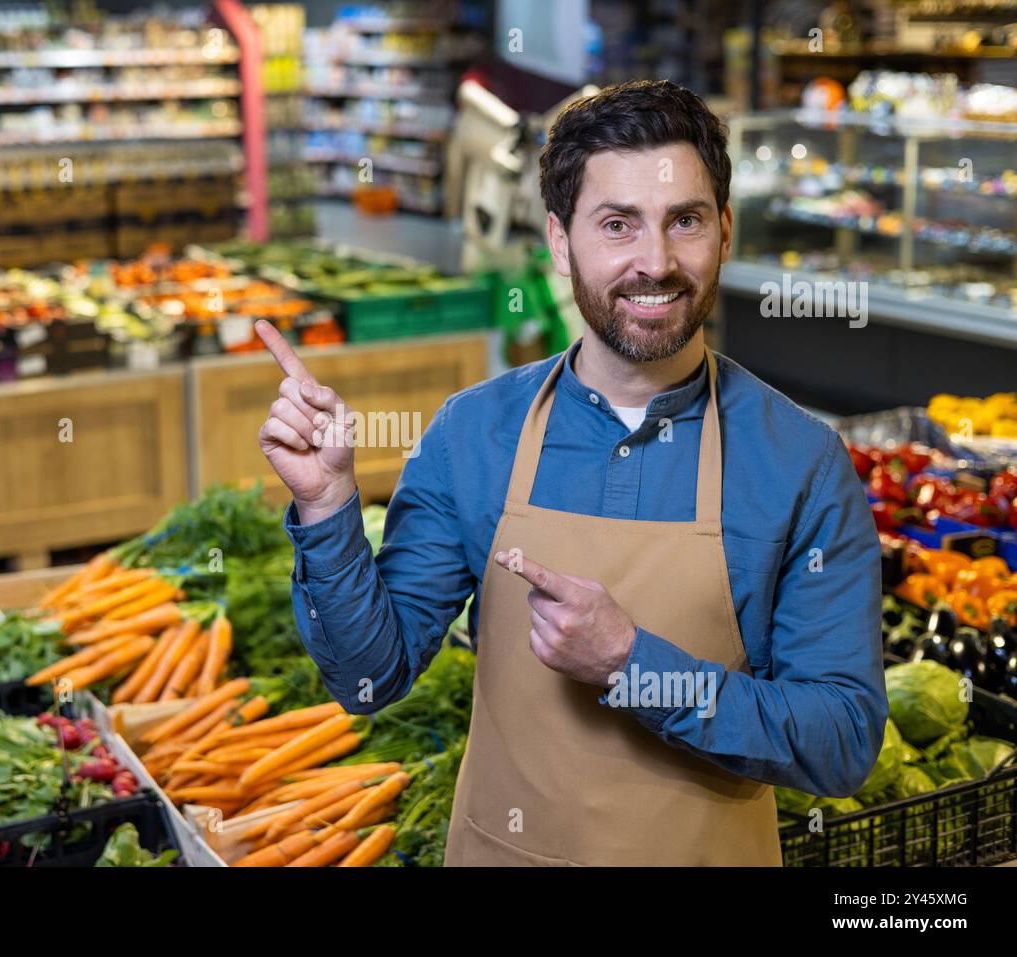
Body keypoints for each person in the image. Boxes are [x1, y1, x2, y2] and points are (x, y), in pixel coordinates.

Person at [253, 79, 887, 866]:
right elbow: (369, 679)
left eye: (683, 221)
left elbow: (842, 740)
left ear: (724, 230)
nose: (654, 263)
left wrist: (634, 667)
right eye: (617, 225)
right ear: (559, 242)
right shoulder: (474, 434)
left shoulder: (798, 463)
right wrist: (327, 506)